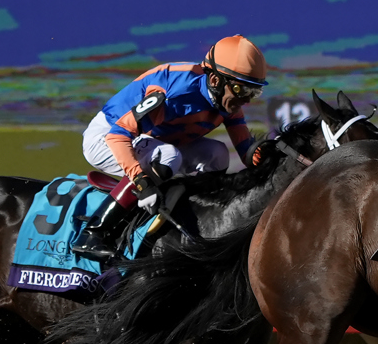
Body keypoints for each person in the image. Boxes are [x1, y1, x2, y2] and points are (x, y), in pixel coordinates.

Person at [70, 35, 269, 262]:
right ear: (215, 80)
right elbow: (119, 135)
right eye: (241, 90)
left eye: (253, 92)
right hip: (108, 137)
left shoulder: (225, 99)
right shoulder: (174, 93)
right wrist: (142, 182)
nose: (246, 100)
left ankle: (195, 218)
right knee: (168, 156)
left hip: (150, 141)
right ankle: (93, 235)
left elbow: (246, 151)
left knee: (218, 154)